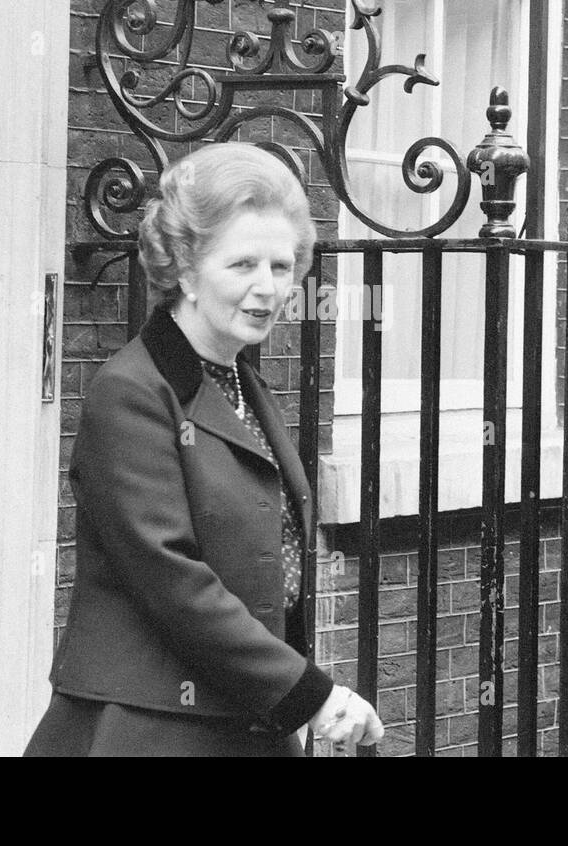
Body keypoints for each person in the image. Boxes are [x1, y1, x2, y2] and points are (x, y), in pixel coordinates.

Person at [26, 143, 383, 756]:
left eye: (281, 266)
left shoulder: (242, 383)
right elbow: (175, 583)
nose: (268, 288)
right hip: (152, 727)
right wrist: (312, 695)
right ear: (185, 270)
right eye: (242, 265)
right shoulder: (131, 392)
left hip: (242, 720)